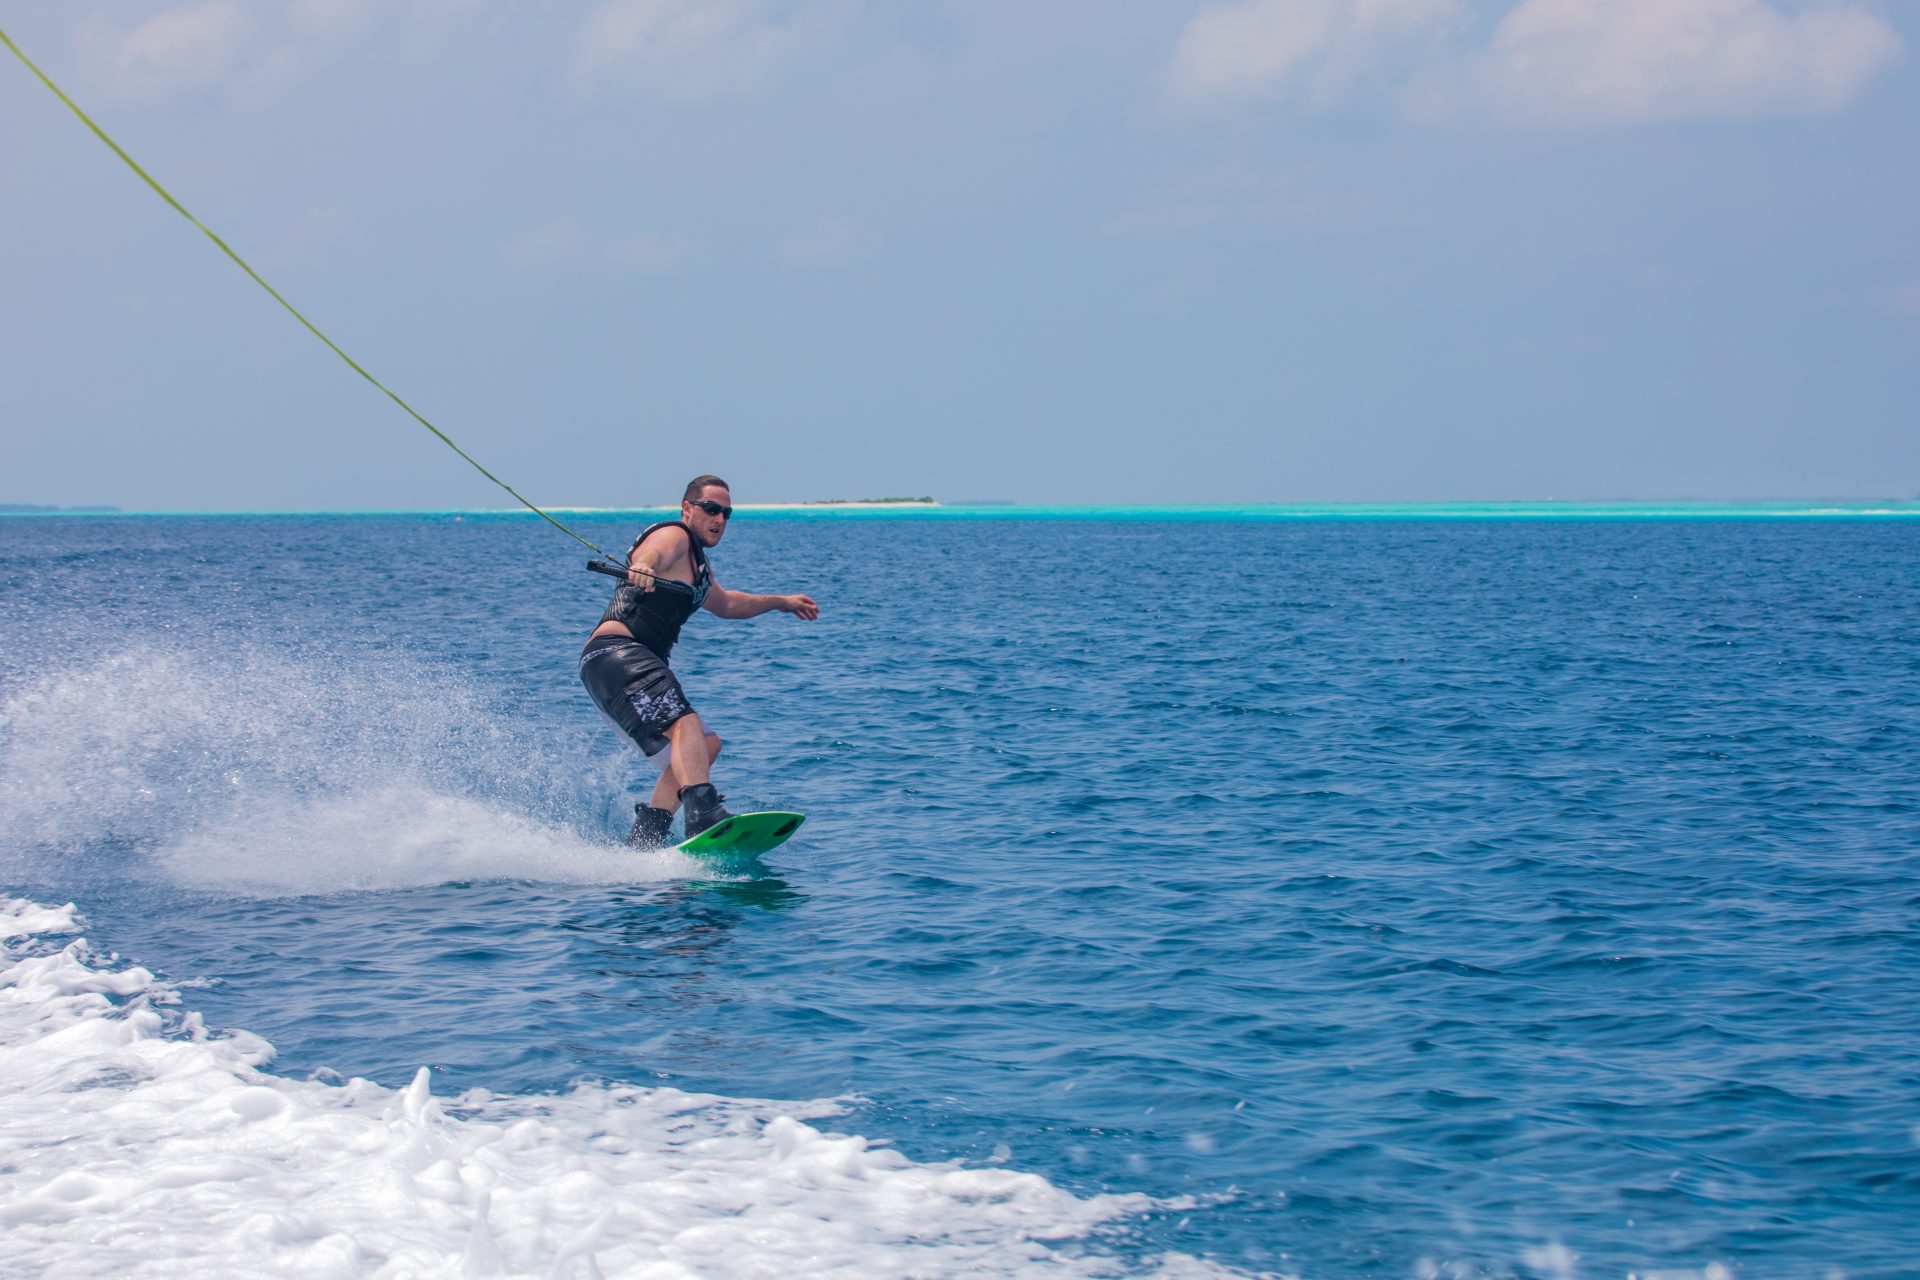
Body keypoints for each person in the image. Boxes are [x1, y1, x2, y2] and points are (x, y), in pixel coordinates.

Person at [579, 475, 819, 847]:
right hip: (617, 654)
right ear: (688, 509)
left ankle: (647, 836)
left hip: (615, 667)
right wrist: (643, 565)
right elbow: (652, 553)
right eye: (711, 509)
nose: (719, 519)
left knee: (704, 746)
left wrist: (780, 602)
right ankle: (702, 814)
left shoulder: (698, 569)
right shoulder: (675, 536)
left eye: (726, 513)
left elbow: (726, 604)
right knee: (685, 724)